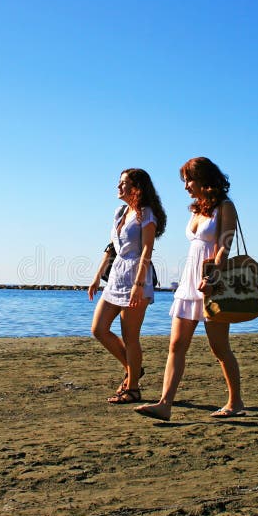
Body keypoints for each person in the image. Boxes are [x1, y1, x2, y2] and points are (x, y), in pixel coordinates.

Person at [135, 157, 244, 421]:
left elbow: (224, 246)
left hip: (211, 284)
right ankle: (165, 404)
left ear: (205, 179)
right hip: (188, 283)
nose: (185, 186)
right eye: (184, 181)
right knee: (176, 345)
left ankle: (236, 401)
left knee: (219, 348)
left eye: (189, 180)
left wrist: (214, 275)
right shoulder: (195, 210)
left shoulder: (225, 207)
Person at [89, 168, 167, 404]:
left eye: (123, 183)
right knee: (98, 329)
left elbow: (147, 250)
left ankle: (132, 388)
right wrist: (97, 276)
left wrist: (139, 283)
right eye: (119, 182)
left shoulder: (146, 214)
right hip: (116, 276)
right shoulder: (120, 212)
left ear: (137, 188)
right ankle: (134, 369)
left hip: (136, 276)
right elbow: (112, 247)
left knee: (130, 337)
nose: (118, 187)